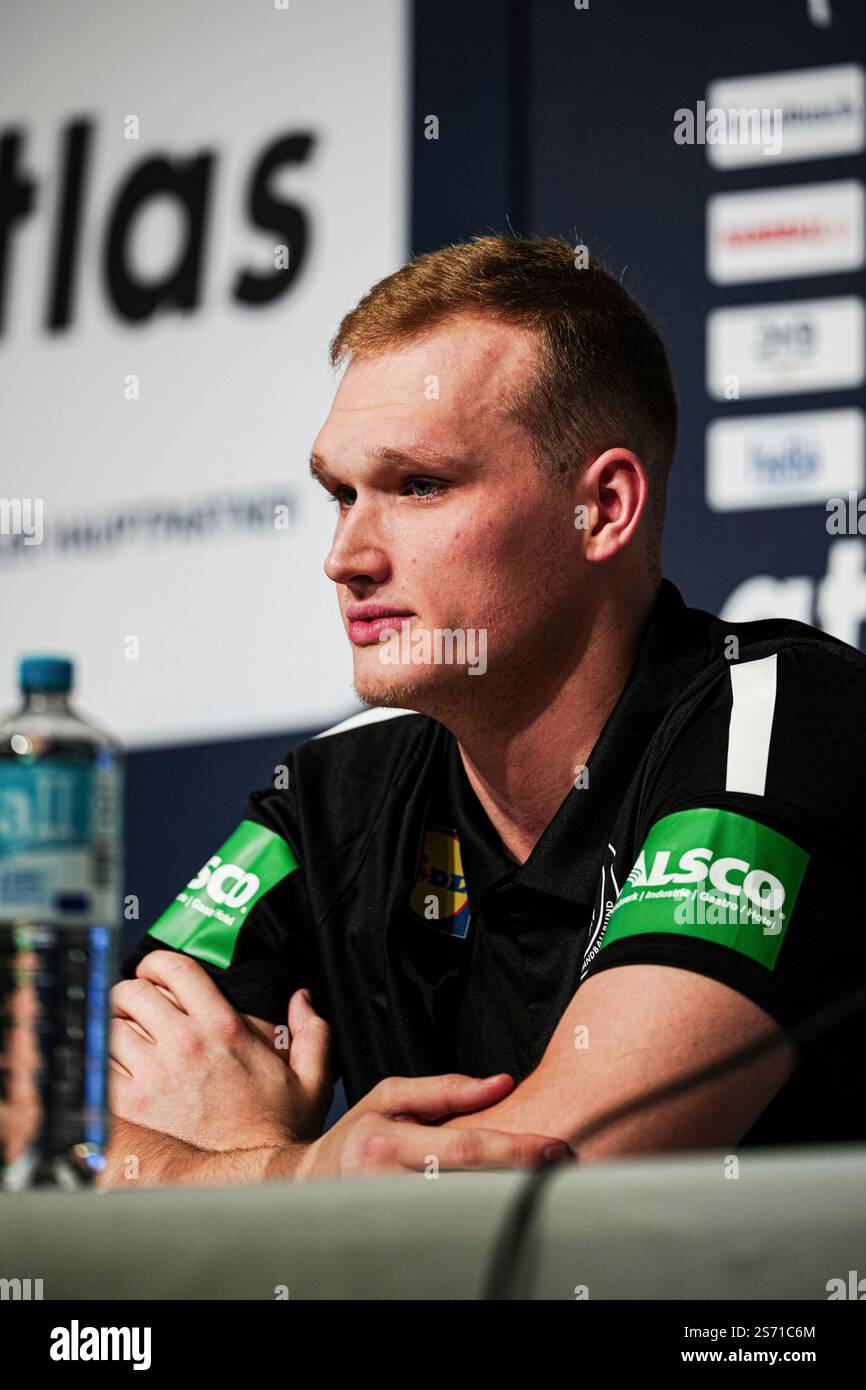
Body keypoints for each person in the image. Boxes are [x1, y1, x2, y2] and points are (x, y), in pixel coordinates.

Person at [101, 234, 866, 1188]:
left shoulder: (778, 719)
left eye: (419, 485)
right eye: (342, 493)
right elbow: (36, 1121)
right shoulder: (336, 791)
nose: (346, 556)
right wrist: (283, 1181)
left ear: (605, 507)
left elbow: (538, 1191)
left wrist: (231, 1171)